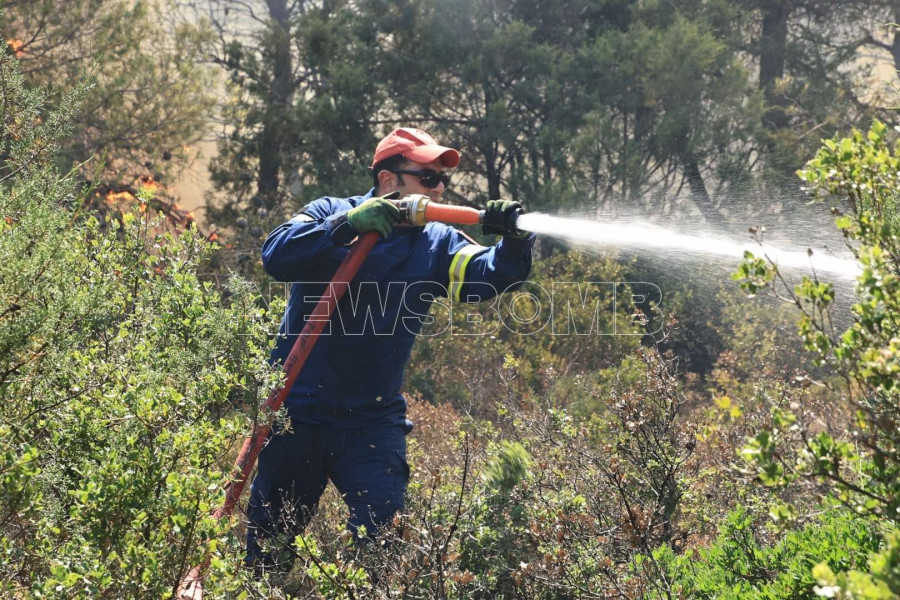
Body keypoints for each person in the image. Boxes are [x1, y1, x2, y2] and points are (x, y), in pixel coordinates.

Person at [246, 127, 535, 572]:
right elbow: (276, 255)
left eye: (442, 181)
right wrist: (346, 226)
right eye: (428, 178)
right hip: (296, 413)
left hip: (372, 421)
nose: (439, 190)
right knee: (269, 553)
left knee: (382, 546)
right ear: (388, 180)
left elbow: (486, 275)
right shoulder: (329, 212)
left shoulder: (437, 242)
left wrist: (513, 243)